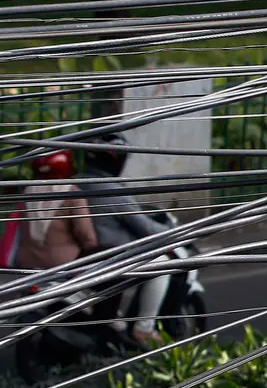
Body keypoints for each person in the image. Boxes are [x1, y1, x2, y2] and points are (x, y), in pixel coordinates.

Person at [77, 131, 173, 348]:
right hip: (107, 256)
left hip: (76, 258)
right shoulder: (111, 189)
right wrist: (169, 229)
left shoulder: (75, 182)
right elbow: (145, 227)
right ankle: (144, 330)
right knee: (162, 265)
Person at [11, 151, 99, 271]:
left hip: (26, 261)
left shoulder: (27, 191)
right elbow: (85, 235)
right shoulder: (73, 194)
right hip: (62, 264)